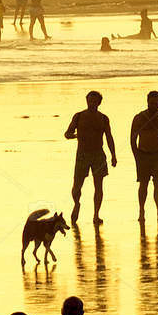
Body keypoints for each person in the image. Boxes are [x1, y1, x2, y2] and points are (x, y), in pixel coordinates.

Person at [65, 89, 116, 226]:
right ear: (87, 101)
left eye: (94, 101)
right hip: (82, 154)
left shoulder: (103, 118)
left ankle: (96, 215)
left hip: (98, 154)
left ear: (99, 103)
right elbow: (67, 133)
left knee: (98, 186)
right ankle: (77, 204)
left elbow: (109, 137)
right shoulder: (79, 116)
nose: (91, 103)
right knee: (77, 186)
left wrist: (113, 155)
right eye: (89, 100)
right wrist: (75, 136)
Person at [130, 90, 158, 225]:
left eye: (156, 102)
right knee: (143, 184)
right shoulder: (138, 118)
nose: (154, 104)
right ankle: (141, 212)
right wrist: (136, 155)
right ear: (147, 101)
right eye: (151, 102)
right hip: (143, 154)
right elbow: (132, 138)